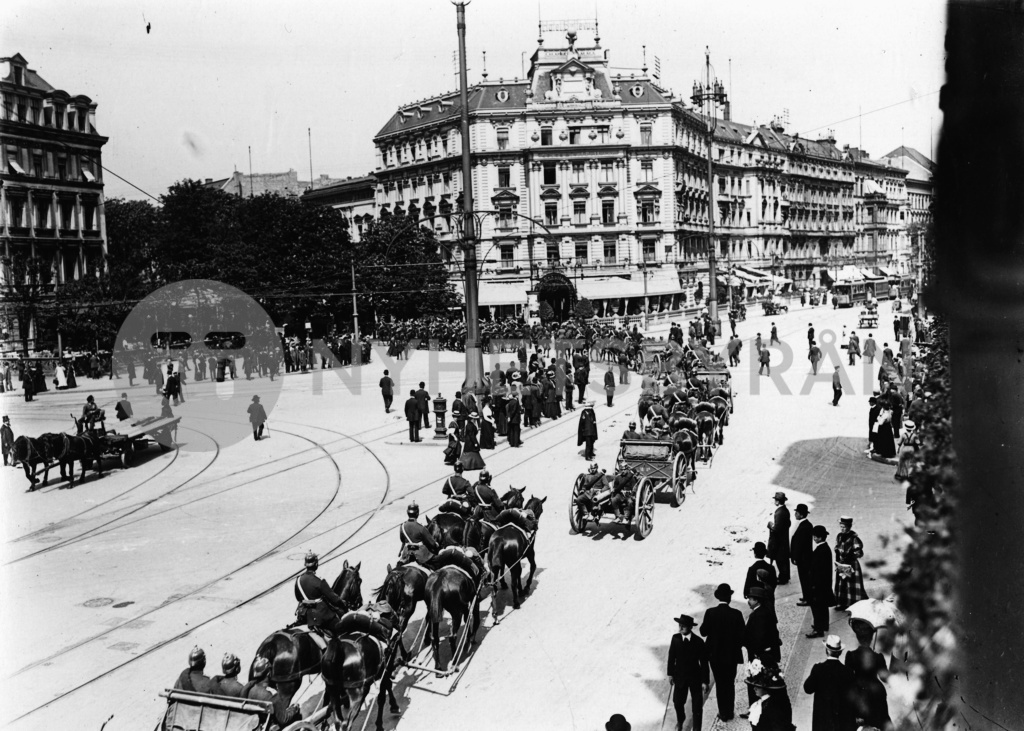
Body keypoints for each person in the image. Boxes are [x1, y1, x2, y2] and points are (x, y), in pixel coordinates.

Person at [700, 583, 745, 722]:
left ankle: (723, 713)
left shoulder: (710, 612)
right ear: (730, 598)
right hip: (731, 656)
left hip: (715, 656)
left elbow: (703, 632)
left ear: (718, 597)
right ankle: (730, 711)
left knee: (720, 683)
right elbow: (743, 637)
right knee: (729, 683)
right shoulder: (736, 614)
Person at [666, 613, 709, 731]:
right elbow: (671, 657)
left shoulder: (699, 642)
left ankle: (697, 729)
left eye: (683, 626)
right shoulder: (675, 639)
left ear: (690, 627)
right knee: (677, 703)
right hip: (680, 677)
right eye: (679, 625)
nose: (680, 628)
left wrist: (705, 681)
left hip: (696, 677)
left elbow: (704, 663)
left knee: (697, 707)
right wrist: (670, 674)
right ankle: (680, 720)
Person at [803, 635, 855, 731]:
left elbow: (807, 688)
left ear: (826, 650)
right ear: (840, 652)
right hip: (841, 721)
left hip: (822, 720)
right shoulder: (848, 672)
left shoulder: (818, 669)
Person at [294, 551, 348, 633]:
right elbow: (334, 599)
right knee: (342, 630)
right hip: (321, 616)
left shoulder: (298, 580)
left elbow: (298, 598)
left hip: (305, 615)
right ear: (316, 564)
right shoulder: (319, 581)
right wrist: (343, 604)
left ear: (306, 565)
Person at [243, 657, 301, 729]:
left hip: (256, 724)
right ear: (269, 673)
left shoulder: (251, 690)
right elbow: (284, 719)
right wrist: (294, 708)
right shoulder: (272, 695)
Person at [745, 661, 793, 731]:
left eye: (758, 687)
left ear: (766, 688)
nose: (754, 688)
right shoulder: (762, 702)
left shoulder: (772, 708)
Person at [807, 524, 835, 638]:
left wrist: (813, 585)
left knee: (817, 607)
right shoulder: (825, 548)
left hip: (818, 585)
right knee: (823, 606)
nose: (813, 538)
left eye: (815, 536)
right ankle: (824, 625)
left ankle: (818, 629)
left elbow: (817, 570)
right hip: (824, 585)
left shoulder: (820, 550)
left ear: (818, 538)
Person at [834, 516, 868, 610]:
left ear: (849, 527)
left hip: (851, 564)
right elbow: (837, 547)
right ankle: (841, 603)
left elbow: (859, 552)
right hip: (842, 563)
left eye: (844, 527)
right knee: (842, 582)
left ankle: (852, 603)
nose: (842, 529)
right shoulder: (839, 536)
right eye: (841, 526)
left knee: (850, 583)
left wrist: (850, 556)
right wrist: (838, 555)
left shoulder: (854, 538)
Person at [791, 503, 814, 607]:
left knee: (805, 579)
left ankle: (807, 598)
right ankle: (806, 596)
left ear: (800, 514)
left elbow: (800, 545)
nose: (795, 514)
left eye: (796, 512)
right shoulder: (806, 525)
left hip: (803, 559)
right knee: (805, 579)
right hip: (806, 558)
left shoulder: (803, 527)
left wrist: (795, 557)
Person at [767, 492, 791, 584]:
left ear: (777, 501)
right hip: (783, 539)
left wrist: (770, 525)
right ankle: (785, 576)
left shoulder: (779, 512)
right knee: (783, 559)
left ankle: (783, 578)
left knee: (780, 560)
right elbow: (788, 524)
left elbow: (776, 528)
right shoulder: (785, 510)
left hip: (779, 541)